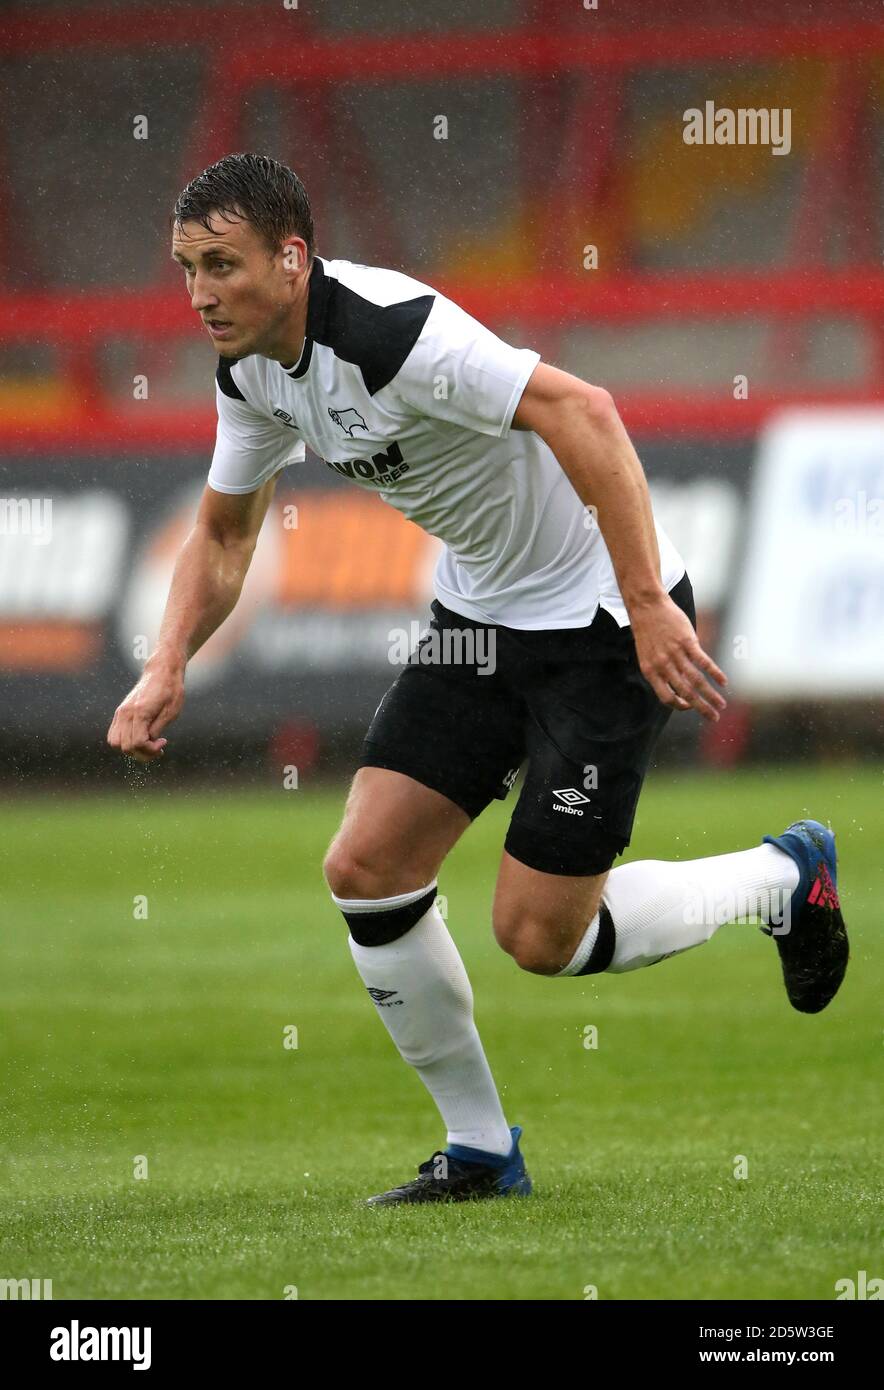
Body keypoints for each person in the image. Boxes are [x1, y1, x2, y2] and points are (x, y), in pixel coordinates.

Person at [107, 153, 849, 1206]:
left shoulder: (392, 333)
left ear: (291, 256)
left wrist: (646, 604)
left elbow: (584, 412)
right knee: (365, 864)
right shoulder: (250, 371)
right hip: (480, 621)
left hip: (597, 616)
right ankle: (480, 1150)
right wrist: (167, 660)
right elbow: (225, 534)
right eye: (185, 267)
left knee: (539, 937)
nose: (198, 293)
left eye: (220, 264)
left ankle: (784, 879)